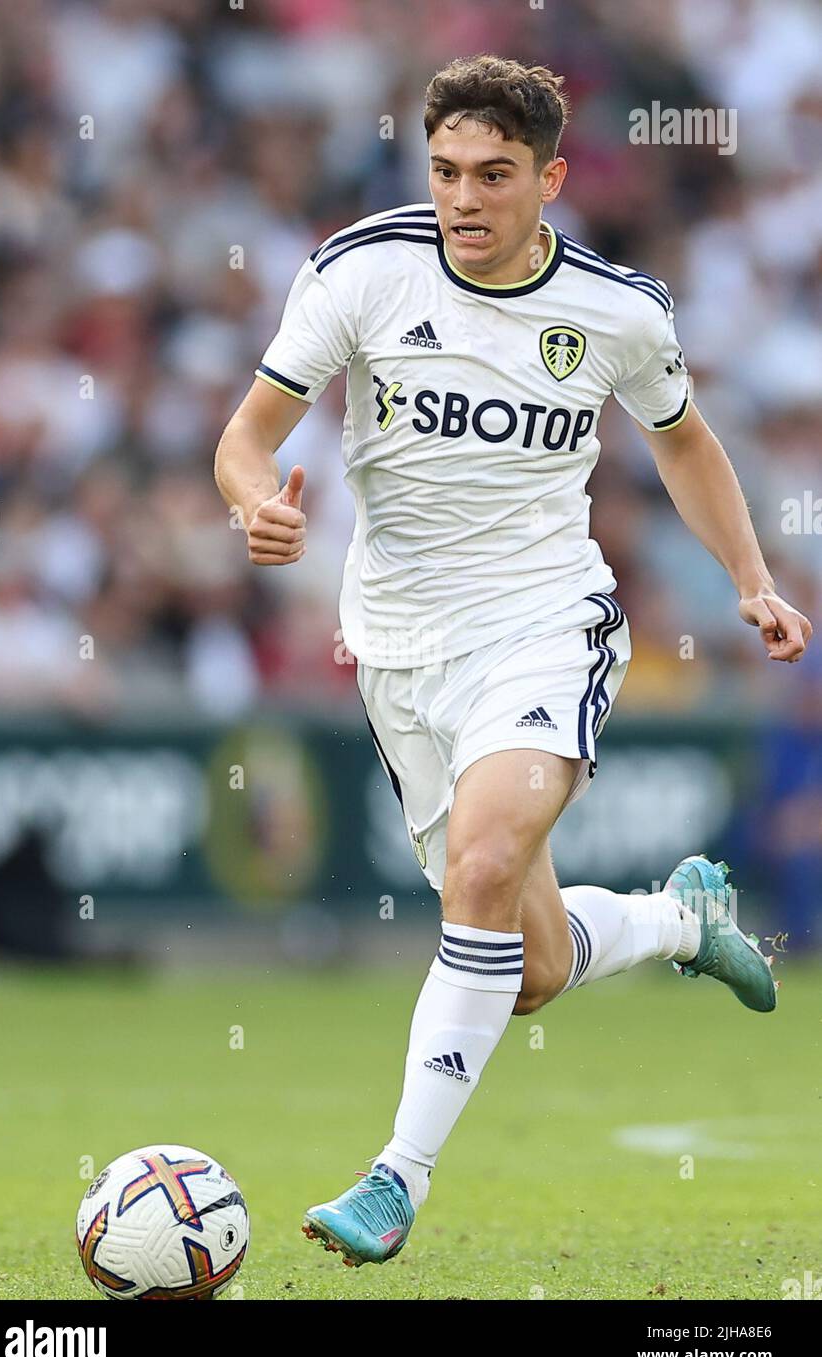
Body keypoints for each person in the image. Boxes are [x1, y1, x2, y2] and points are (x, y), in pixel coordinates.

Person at [214, 54, 813, 1269]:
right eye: (443, 172)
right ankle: (676, 924)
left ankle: (396, 1177)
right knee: (526, 967)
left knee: (484, 865)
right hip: (397, 647)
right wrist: (250, 506)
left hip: (545, 623)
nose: (463, 199)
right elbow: (248, 435)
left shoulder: (617, 310)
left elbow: (688, 445)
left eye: (494, 175)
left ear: (550, 178)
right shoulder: (359, 270)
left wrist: (753, 576)